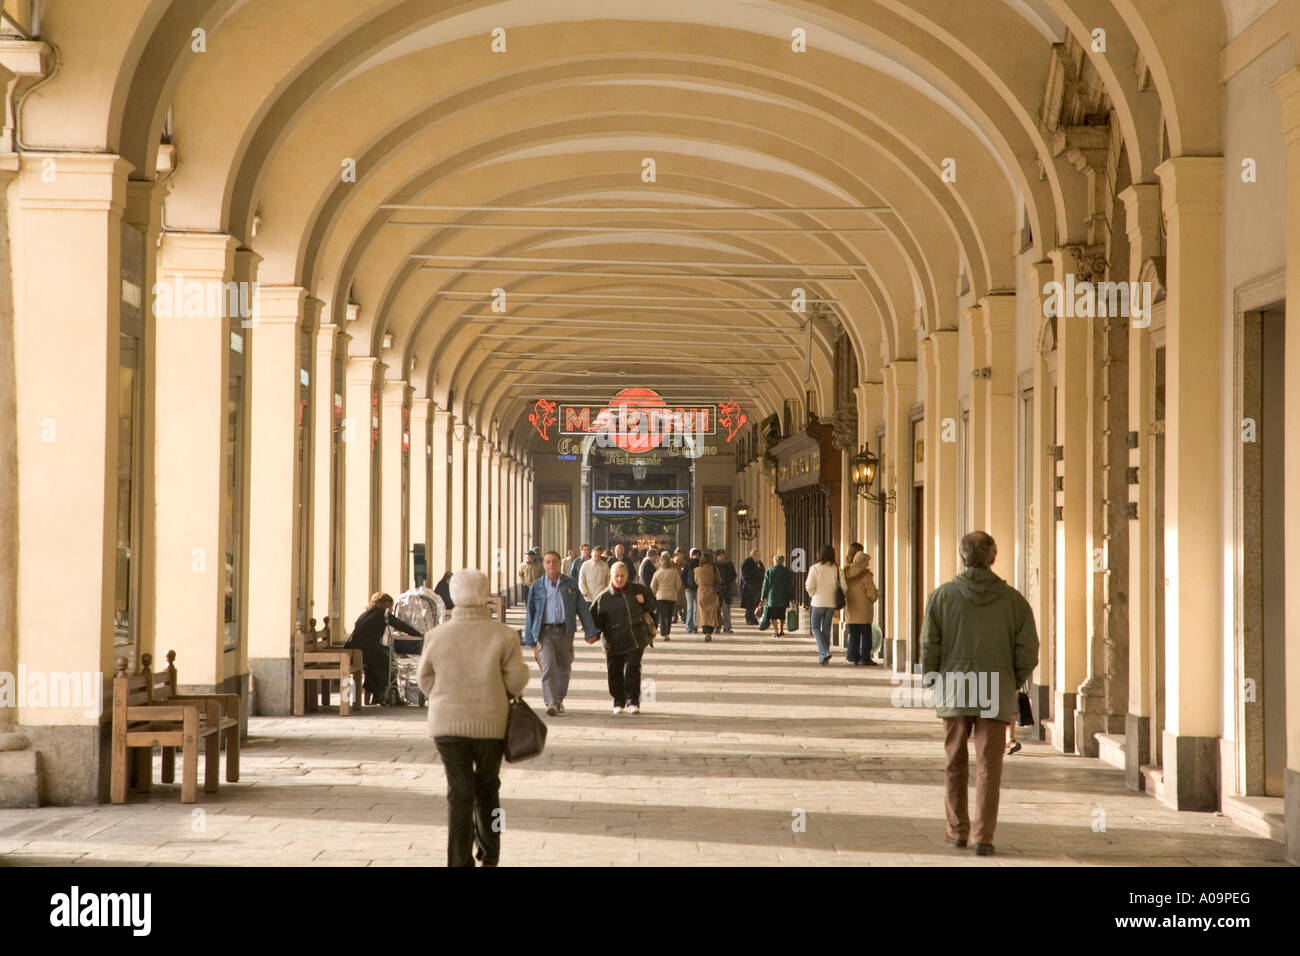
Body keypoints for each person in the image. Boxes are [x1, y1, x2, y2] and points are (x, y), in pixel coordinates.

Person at [921, 531, 1038, 857]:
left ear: (962, 557)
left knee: (954, 761)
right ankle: (983, 836)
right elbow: (1028, 649)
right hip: (994, 690)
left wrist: (933, 679)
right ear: (993, 557)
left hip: (955, 688)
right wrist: (1009, 679)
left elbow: (930, 644)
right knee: (990, 766)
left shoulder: (941, 597)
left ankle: (957, 829)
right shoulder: (1014, 601)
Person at [417, 569, 529, 868]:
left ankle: (458, 860)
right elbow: (517, 682)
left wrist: (446, 697)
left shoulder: (436, 635)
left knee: (460, 793)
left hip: (447, 726)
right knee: (489, 788)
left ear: (453, 595)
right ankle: (491, 852)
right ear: (485, 594)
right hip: (491, 725)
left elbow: (424, 680)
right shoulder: (504, 635)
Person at [524, 550, 598, 716]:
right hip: (546, 632)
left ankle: (558, 700)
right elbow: (531, 612)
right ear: (544, 565)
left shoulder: (570, 584)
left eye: (555, 562)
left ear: (560, 564)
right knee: (548, 667)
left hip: (565, 631)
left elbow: (582, 609)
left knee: (563, 668)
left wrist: (590, 631)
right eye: (548, 562)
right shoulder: (537, 586)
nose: (551, 565)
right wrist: (529, 638)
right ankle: (551, 702)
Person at [587, 562, 656, 714]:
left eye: (622, 576)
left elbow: (652, 605)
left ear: (627, 576)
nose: (619, 579)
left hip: (635, 638)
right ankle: (618, 700)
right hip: (613, 641)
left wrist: (644, 601)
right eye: (616, 576)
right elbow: (594, 618)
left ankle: (633, 700)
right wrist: (593, 633)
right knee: (614, 671)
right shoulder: (603, 597)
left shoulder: (638, 590)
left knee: (632, 668)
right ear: (611, 577)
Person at [346, 592, 425, 705]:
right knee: (390, 663)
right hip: (367, 649)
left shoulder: (366, 613)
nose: (392, 610)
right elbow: (399, 624)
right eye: (391, 606)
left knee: (376, 664)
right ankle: (389, 694)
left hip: (356, 649)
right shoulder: (382, 614)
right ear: (386, 604)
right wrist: (418, 634)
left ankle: (376, 696)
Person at [843, 551, 879, 666]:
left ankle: (853, 657)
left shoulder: (845, 572)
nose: (868, 564)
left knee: (853, 634)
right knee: (866, 635)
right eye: (867, 561)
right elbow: (871, 592)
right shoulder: (865, 575)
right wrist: (875, 596)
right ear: (863, 561)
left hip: (851, 608)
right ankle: (865, 657)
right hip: (864, 610)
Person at [651, 552, 684, 640]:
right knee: (669, 615)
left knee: (662, 615)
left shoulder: (658, 572)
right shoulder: (674, 572)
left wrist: (655, 593)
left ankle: (663, 632)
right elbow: (679, 584)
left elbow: (653, 585)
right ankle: (667, 633)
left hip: (660, 596)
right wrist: (675, 591)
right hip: (671, 596)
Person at [760, 555, 795, 637]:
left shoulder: (769, 571)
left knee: (773, 615)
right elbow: (790, 585)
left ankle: (776, 631)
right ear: (783, 562)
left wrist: (763, 596)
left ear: (774, 561)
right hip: (783, 596)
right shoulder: (786, 571)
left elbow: (765, 585)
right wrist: (791, 597)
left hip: (772, 597)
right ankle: (782, 630)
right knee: (782, 614)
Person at [693, 550, 722, 641]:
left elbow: (696, 581)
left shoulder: (697, 570)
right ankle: (709, 632)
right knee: (711, 613)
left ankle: (705, 631)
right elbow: (718, 579)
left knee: (703, 613)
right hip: (712, 592)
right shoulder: (714, 569)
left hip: (702, 592)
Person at [714, 549, 737, 633]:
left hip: (727, 589)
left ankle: (727, 626)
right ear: (716, 557)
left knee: (726, 609)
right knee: (717, 610)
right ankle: (717, 626)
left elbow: (734, 575)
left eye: (723, 555)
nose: (721, 557)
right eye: (720, 555)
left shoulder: (729, 564)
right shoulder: (714, 565)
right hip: (717, 590)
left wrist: (728, 581)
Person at [740, 549, 765, 624]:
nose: (759, 557)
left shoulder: (759, 563)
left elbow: (763, 571)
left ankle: (754, 618)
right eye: (757, 555)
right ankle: (749, 619)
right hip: (749, 587)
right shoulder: (747, 562)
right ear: (753, 555)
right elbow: (745, 575)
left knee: (756, 603)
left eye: (759, 555)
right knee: (750, 604)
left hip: (758, 586)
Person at [682, 548, 701, 633]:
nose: (696, 556)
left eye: (698, 555)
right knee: (690, 608)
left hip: (698, 588)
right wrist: (685, 586)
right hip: (689, 588)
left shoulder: (700, 564)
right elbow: (683, 576)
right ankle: (689, 626)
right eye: (695, 554)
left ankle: (695, 626)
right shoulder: (688, 564)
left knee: (696, 608)